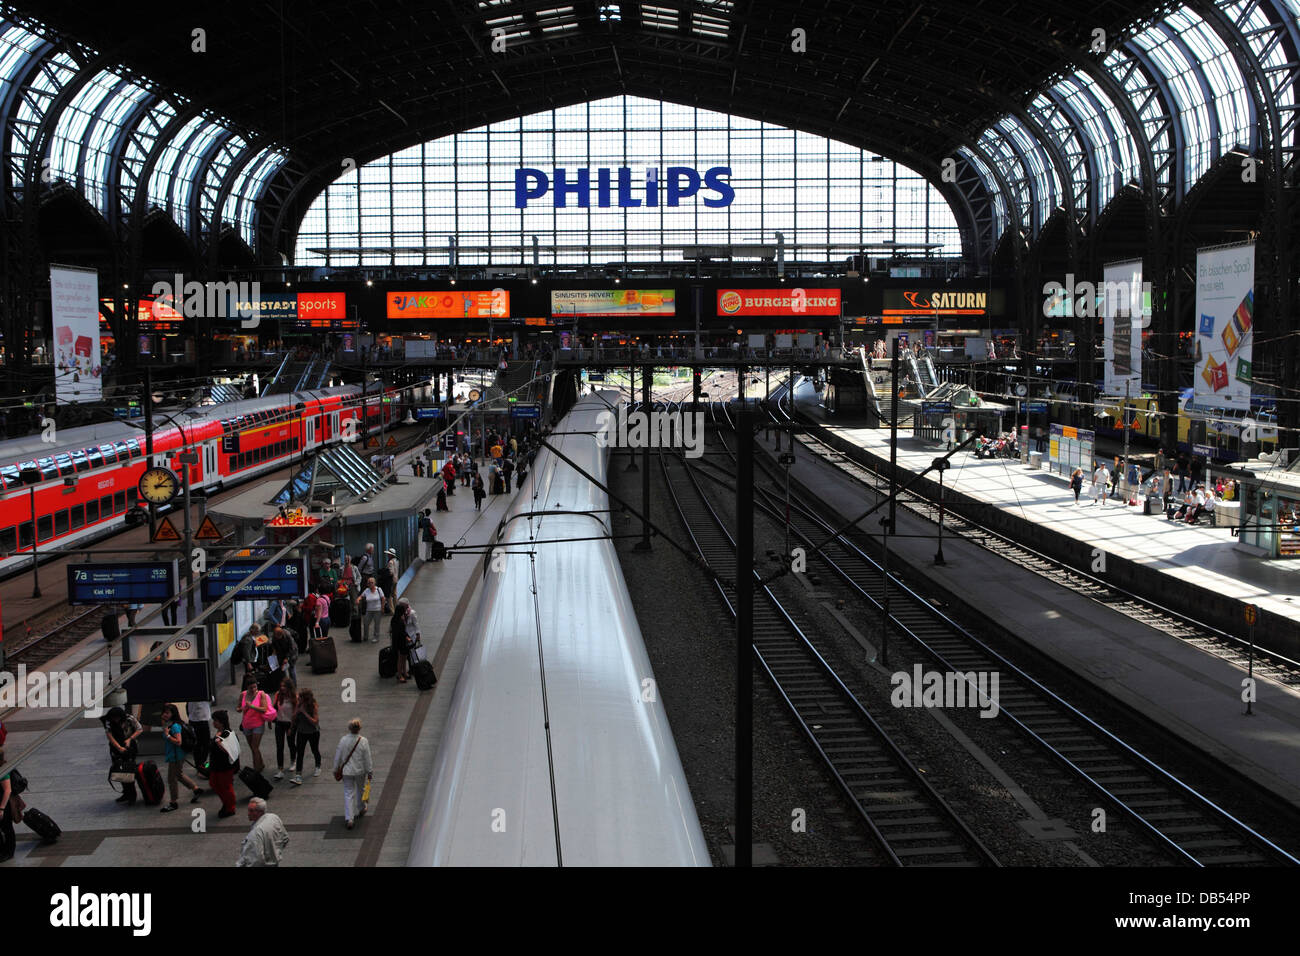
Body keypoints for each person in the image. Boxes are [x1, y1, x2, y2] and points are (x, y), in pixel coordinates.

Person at [158, 704, 202, 812]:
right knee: (179, 774)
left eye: (167, 713)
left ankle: (173, 802)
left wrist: (168, 735)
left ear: (173, 714)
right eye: (164, 712)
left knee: (171, 779)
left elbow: (178, 742)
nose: (165, 714)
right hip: (175, 754)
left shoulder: (175, 726)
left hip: (176, 756)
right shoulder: (169, 724)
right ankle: (196, 789)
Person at [333, 718, 373, 830]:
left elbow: (338, 756)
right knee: (361, 789)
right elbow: (367, 758)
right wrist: (370, 770)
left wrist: (335, 769)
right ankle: (361, 808)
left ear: (349, 728)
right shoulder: (363, 740)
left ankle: (349, 818)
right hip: (360, 771)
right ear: (359, 728)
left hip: (347, 771)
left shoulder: (343, 740)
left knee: (348, 793)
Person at [103, 705, 143, 806]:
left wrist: (130, 739)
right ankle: (126, 793)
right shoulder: (108, 721)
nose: (115, 720)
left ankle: (132, 795)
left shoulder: (129, 719)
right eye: (113, 718)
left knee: (128, 772)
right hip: (116, 749)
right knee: (119, 771)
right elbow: (109, 736)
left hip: (130, 748)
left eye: (117, 718)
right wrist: (119, 748)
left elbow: (139, 729)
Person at [236, 797, 289, 867]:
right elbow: (285, 838)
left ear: (260, 812)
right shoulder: (273, 817)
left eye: (251, 811)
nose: (248, 813)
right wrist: (275, 852)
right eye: (248, 810)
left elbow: (257, 860)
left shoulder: (255, 834)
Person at [237, 674, 273, 773]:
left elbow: (264, 709)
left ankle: (256, 768)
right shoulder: (243, 694)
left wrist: (251, 706)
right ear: (247, 687)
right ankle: (260, 764)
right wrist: (241, 709)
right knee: (252, 747)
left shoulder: (261, 694)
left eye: (255, 687)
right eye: (251, 687)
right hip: (246, 724)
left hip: (258, 724)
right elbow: (238, 708)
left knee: (255, 746)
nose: (253, 689)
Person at [290, 688, 322, 785]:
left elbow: (315, 722)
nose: (298, 698)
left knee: (314, 749)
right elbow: (293, 718)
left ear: (305, 698)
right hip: (301, 732)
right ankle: (298, 775)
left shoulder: (313, 706)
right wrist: (297, 711)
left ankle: (318, 766)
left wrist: (304, 712)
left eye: (300, 697)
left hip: (313, 732)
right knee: (300, 753)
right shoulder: (299, 704)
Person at [272, 677, 297, 781]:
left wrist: (292, 726)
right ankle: (280, 769)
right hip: (279, 722)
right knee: (279, 746)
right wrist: (270, 720)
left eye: (284, 686)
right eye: (281, 686)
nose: (282, 688)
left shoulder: (294, 697)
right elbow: (274, 708)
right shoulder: (278, 695)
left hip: (290, 723)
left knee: (291, 743)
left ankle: (293, 760)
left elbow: (295, 713)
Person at [189, 695, 212, 779]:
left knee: (202, 744)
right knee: (200, 745)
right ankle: (200, 767)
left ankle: (202, 766)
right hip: (199, 719)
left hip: (200, 718)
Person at [359, 577, 385, 643]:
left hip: (377, 610)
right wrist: (358, 599)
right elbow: (361, 596)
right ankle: (365, 636)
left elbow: (383, 598)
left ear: (374, 583)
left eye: (371, 582)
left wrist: (382, 608)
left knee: (377, 624)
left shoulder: (378, 589)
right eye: (369, 583)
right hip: (369, 610)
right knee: (365, 623)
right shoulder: (366, 590)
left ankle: (376, 637)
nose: (370, 584)